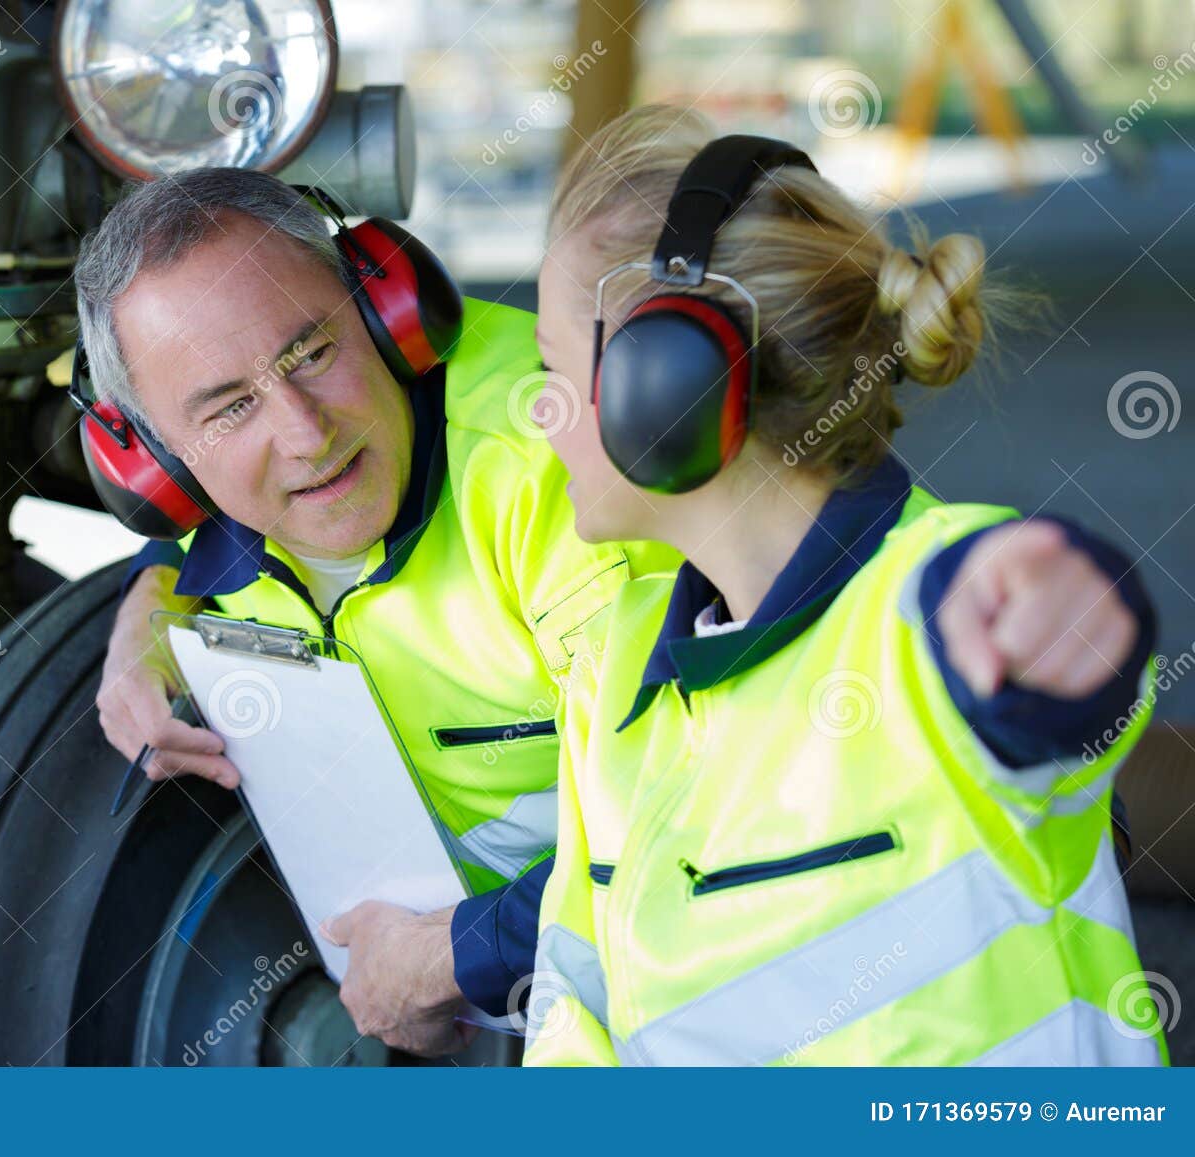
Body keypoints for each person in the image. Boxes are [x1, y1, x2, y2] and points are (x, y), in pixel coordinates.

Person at [523, 104, 1164, 1066]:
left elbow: (1039, 651)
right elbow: (574, 1003)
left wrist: (1057, 604)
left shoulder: (927, 612)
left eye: (552, 370)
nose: (536, 415)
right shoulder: (615, 670)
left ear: (667, 384)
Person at [73, 167, 676, 1055]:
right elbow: (176, 545)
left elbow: (691, 833)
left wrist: (447, 961)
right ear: (155, 464)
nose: (305, 433)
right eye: (231, 406)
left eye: (312, 352)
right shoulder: (217, 529)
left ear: (388, 308)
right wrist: (144, 620)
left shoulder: (564, 471)